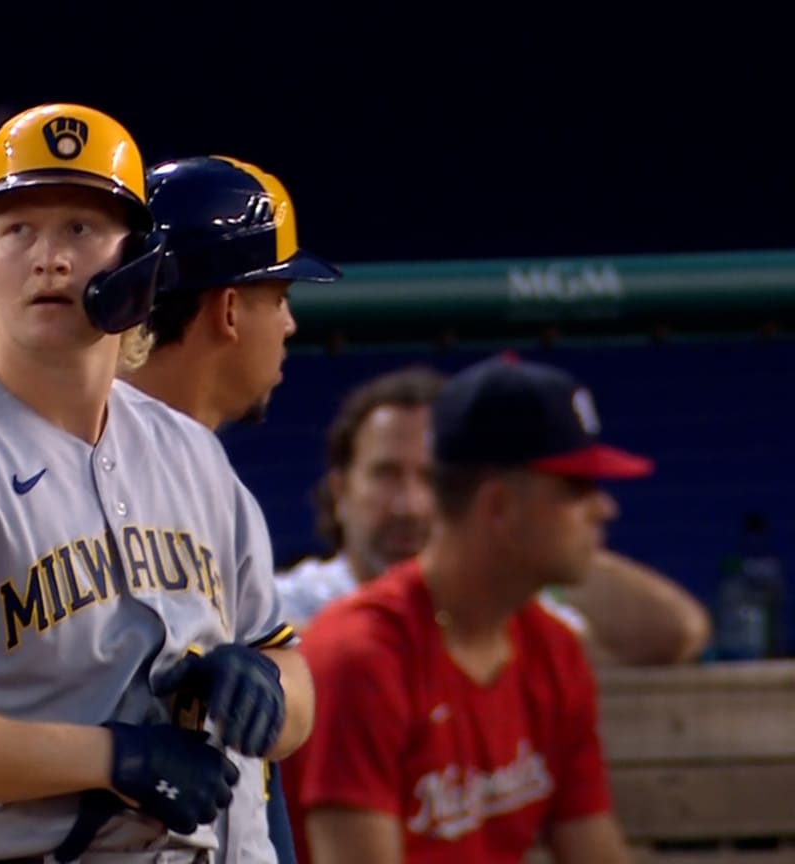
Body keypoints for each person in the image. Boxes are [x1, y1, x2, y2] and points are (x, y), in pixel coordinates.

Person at [0, 104, 313, 864]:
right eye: (17, 231)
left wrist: (265, 690)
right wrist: (111, 759)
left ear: (140, 261)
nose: (49, 257)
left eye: (81, 228)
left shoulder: (189, 454)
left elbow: (292, 674)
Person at [282, 354, 641, 863]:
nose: (604, 508)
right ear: (497, 508)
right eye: (576, 489)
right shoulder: (360, 655)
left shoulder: (552, 649)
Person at [121, 154, 341, 863]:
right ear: (227, 309)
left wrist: (267, 686)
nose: (290, 323)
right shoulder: (69, 465)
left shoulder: (215, 479)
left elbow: (286, 681)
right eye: (278, 296)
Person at [275, 363, 710, 666]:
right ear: (340, 490)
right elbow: (237, 648)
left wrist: (537, 537)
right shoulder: (284, 599)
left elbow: (676, 634)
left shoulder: (515, 614)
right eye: (386, 475)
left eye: (427, 478)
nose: (409, 505)